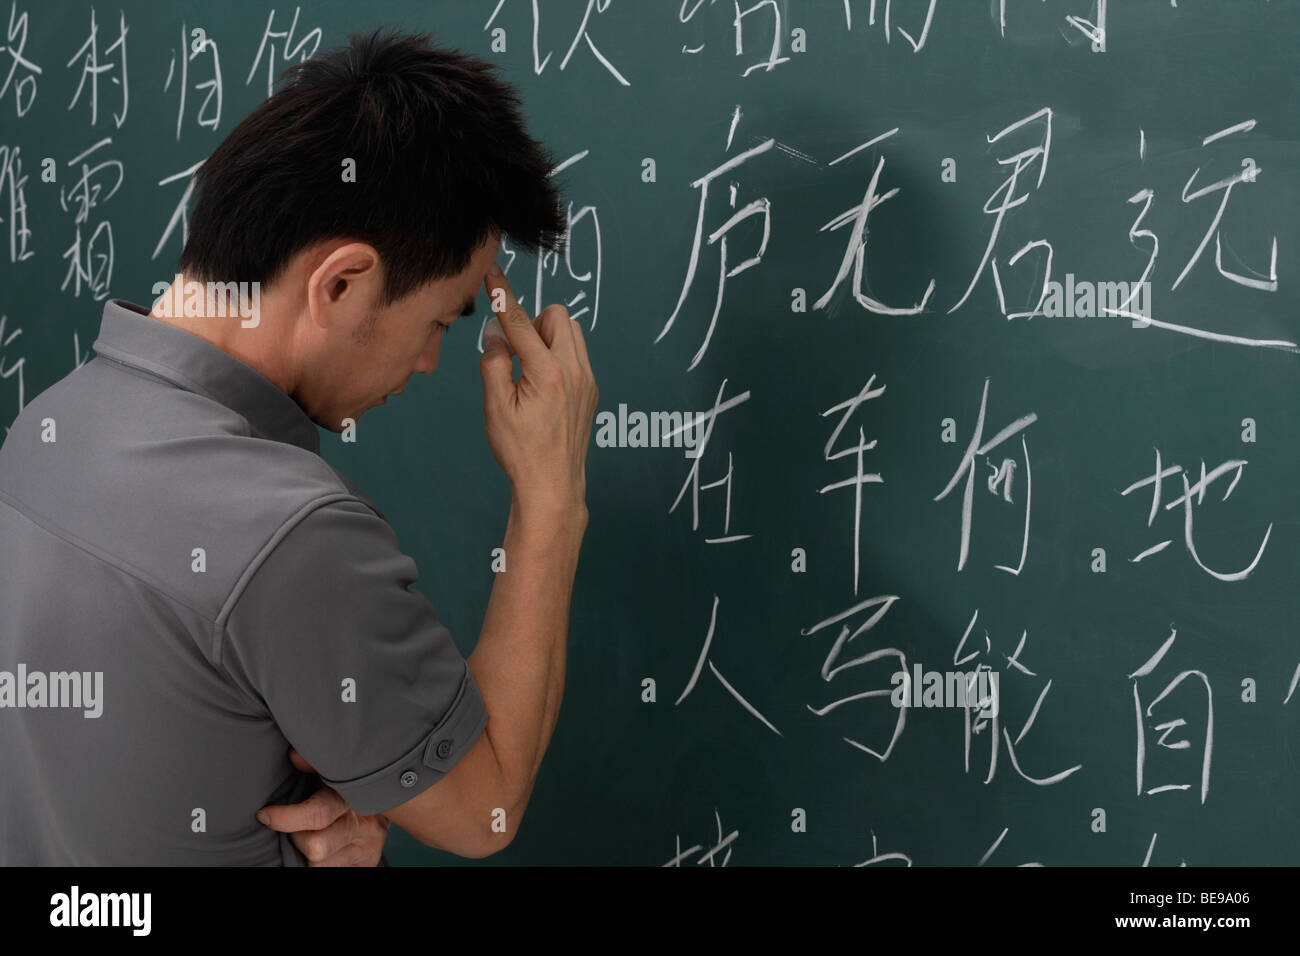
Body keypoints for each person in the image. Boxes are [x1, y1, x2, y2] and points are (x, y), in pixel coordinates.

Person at [0, 29, 597, 865]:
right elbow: (484, 810)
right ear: (342, 282)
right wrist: (552, 498)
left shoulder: (42, 431)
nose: (429, 364)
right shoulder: (291, 533)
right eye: (438, 322)